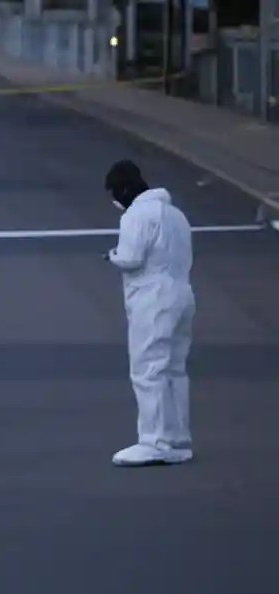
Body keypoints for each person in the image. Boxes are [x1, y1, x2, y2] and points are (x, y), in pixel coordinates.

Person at [104, 160, 196, 466]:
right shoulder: (176, 215)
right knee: (174, 369)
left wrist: (113, 256)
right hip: (182, 292)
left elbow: (131, 258)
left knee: (148, 368)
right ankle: (178, 439)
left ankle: (154, 441)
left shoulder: (137, 215)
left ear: (125, 189)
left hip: (152, 296)